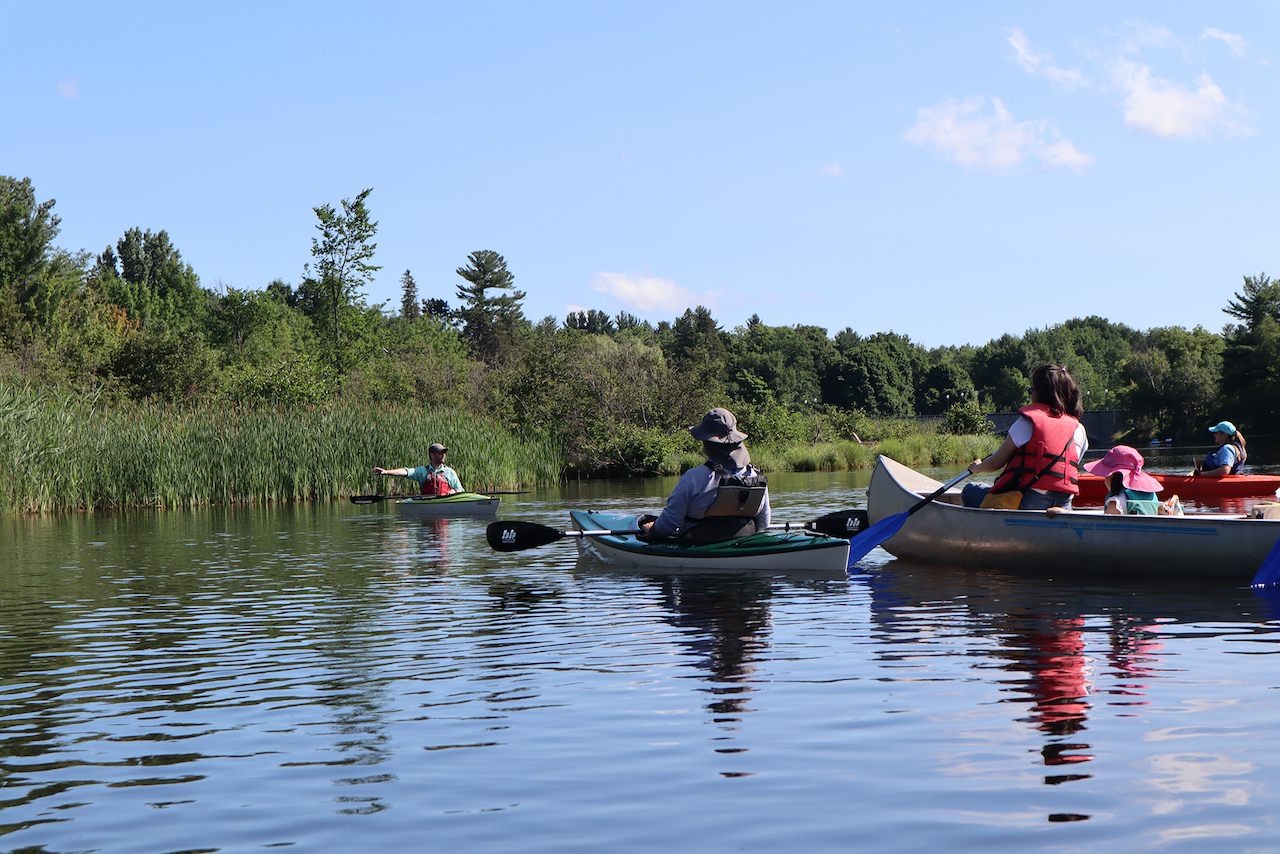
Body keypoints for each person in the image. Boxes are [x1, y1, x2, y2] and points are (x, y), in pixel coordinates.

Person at [962, 364, 1088, 511]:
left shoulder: (1028, 422)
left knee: (969, 491)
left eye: (1032, 390)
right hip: (1064, 503)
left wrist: (977, 468)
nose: (1031, 395)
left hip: (1031, 501)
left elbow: (995, 462)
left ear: (1040, 392)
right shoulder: (1079, 429)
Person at [639, 408, 770, 541]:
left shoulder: (693, 478)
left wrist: (651, 529)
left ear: (706, 444)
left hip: (700, 543)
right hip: (744, 540)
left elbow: (668, 525)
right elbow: (763, 523)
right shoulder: (756, 477)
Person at [1084, 445, 1162, 516]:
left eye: (1106, 475)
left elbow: (1106, 524)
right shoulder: (1152, 495)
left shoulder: (1116, 502)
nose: (1104, 481)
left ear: (1114, 476)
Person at [373, 443, 464, 496]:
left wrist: (454, 491)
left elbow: (460, 489)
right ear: (432, 455)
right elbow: (406, 472)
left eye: (444, 452)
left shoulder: (450, 472)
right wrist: (386, 472)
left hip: (445, 502)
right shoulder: (422, 471)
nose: (443, 455)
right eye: (440, 452)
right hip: (427, 504)